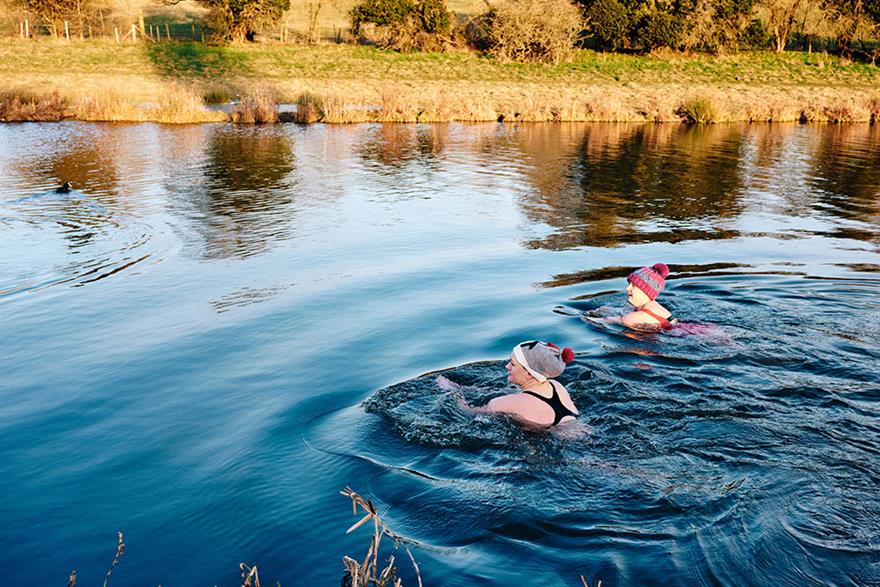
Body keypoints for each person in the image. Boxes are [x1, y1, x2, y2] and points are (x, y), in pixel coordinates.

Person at [449, 340, 579, 429]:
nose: (507, 366)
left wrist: (453, 393)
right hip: (582, 431)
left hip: (554, 442)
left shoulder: (500, 404)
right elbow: (527, 398)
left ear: (529, 374)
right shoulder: (556, 386)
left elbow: (468, 412)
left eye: (513, 364)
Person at [615, 263, 676, 331]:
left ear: (646, 291)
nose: (628, 288)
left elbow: (604, 321)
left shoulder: (631, 319)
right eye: (629, 284)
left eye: (634, 286)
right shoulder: (654, 306)